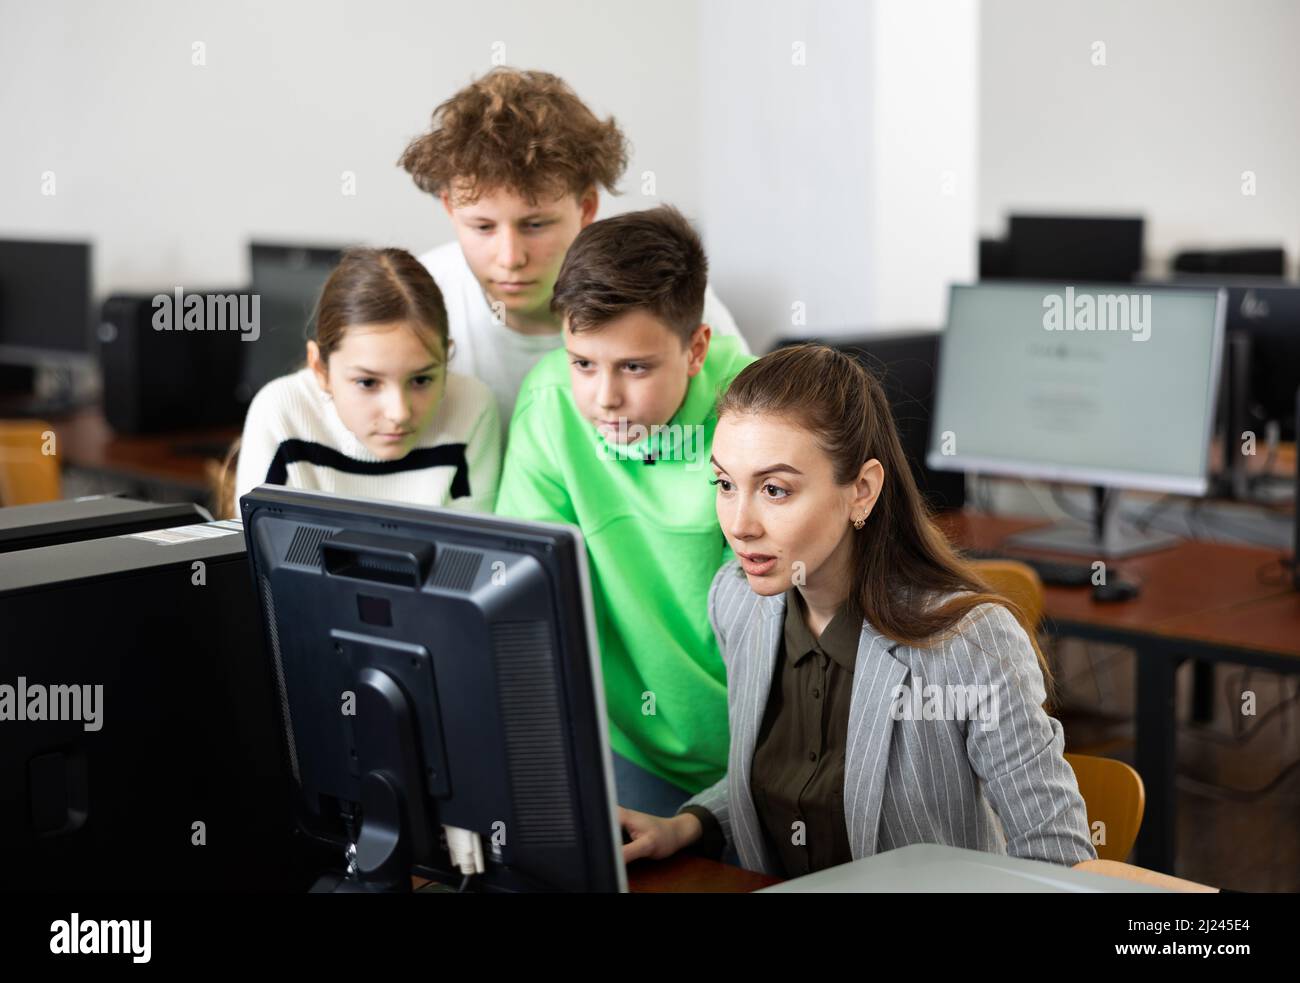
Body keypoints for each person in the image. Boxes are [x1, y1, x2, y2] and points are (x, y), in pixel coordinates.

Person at [618, 344, 1097, 875]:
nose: (739, 523)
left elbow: (1060, 861)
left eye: (774, 489)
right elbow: (783, 779)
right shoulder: (737, 601)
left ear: (861, 491)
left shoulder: (974, 645)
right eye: (726, 484)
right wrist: (688, 825)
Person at [495, 206, 754, 815]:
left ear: (696, 350)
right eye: (583, 363)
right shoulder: (550, 404)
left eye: (634, 367)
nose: (604, 398)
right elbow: (525, 596)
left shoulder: (755, 411)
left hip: (757, 748)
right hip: (626, 748)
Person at [398, 67, 749, 427]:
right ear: (450, 209)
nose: (510, 258)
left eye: (535, 225)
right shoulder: (416, 303)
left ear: (586, 208)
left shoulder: (665, 296)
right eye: (483, 227)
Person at [235, 247, 499, 512]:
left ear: (445, 358)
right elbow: (257, 549)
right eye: (367, 383)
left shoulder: (473, 407)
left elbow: (474, 551)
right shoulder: (280, 411)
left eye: (421, 380)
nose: (399, 413)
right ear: (320, 369)